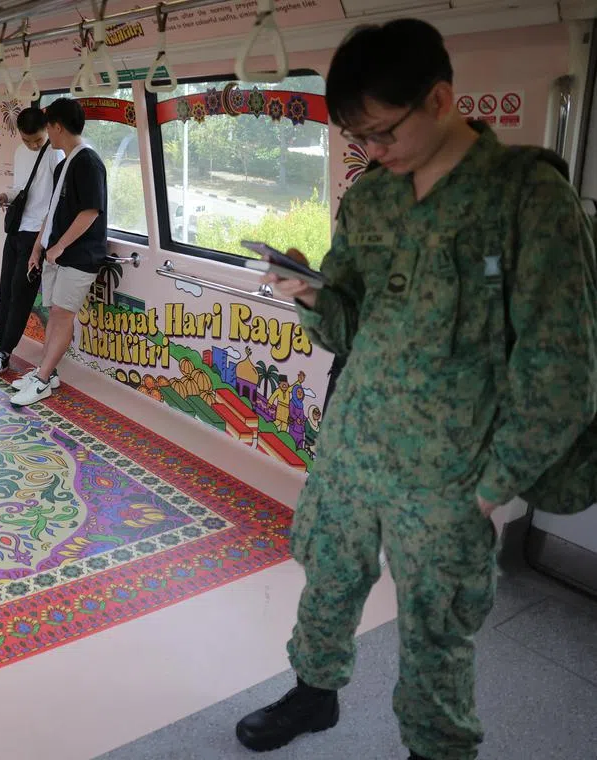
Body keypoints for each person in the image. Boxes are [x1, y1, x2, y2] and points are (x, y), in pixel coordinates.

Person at [234, 19, 597, 760]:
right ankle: (315, 693)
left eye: (381, 133)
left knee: (437, 620)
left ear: (438, 99)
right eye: (356, 138)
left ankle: (434, 748)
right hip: (354, 441)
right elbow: (347, 325)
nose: (371, 151)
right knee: (327, 575)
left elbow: (560, 367)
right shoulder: (372, 202)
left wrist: (493, 486)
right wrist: (308, 292)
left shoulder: (527, 198)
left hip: (450, 473)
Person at [8, 98, 108, 406]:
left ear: (57, 127)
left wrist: (60, 245)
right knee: (54, 314)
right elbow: (53, 211)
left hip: (77, 257)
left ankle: (41, 381)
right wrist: (39, 247)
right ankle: (46, 372)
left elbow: (90, 212)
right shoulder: (65, 162)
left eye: (47, 127)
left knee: (63, 317)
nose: (46, 134)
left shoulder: (88, 161)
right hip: (55, 254)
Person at [0, 107, 64, 377]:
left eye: (37, 139)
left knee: (21, 295)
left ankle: (4, 351)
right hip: (18, 228)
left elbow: (56, 202)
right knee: (6, 291)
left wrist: (43, 242)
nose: (33, 145)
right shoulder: (21, 152)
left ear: (47, 130)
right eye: (27, 140)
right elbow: (24, 189)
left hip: (38, 235)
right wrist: (6, 196)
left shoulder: (55, 154)